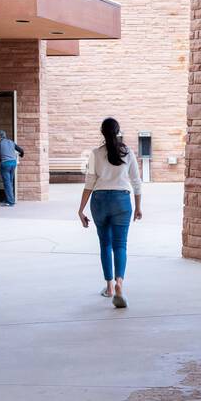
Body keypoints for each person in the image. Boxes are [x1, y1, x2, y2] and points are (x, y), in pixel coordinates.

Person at [77, 118, 142, 308]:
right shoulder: (127, 152)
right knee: (120, 245)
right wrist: (138, 207)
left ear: (102, 132)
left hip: (100, 201)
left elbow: (89, 183)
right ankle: (119, 283)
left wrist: (81, 209)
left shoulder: (95, 154)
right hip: (122, 200)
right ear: (118, 131)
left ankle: (109, 288)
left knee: (105, 244)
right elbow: (136, 181)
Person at [0, 131, 25, 206]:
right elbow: (21, 151)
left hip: (5, 164)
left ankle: (10, 202)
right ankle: (8, 199)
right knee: (10, 182)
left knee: (7, 183)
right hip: (13, 163)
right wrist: (21, 155)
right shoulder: (11, 142)